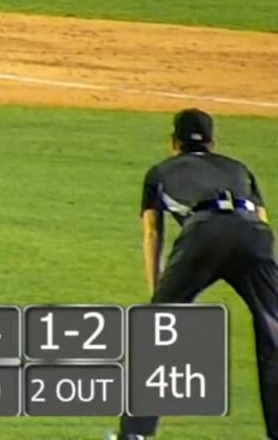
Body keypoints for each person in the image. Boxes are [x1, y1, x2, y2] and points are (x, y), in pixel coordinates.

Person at [108, 109, 278, 440]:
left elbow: (153, 232)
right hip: (254, 237)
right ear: (213, 142)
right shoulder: (239, 168)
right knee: (273, 333)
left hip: (204, 235)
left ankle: (135, 433)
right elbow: (262, 221)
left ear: (174, 143)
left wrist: (158, 294)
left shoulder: (161, 171)